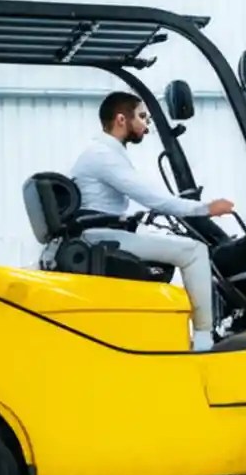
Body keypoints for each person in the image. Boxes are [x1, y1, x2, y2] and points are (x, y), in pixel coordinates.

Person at [70, 92, 236, 351]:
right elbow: (153, 198)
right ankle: (205, 341)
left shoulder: (104, 152)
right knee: (194, 251)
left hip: (100, 231)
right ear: (122, 119)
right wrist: (206, 208)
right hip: (100, 236)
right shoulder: (103, 155)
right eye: (143, 117)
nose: (147, 126)